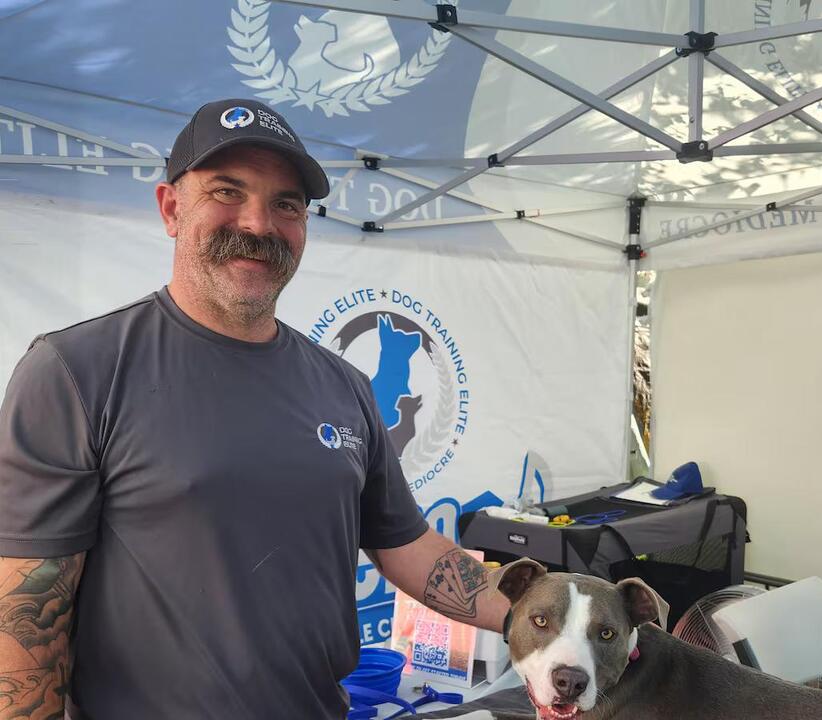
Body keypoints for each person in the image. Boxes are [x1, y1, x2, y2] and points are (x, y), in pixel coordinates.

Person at [0, 99, 509, 720]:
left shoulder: (344, 385)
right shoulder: (76, 372)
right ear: (170, 208)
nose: (259, 224)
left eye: (286, 204)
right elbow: (26, 624)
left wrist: (550, 612)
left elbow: (408, 546)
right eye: (227, 191)